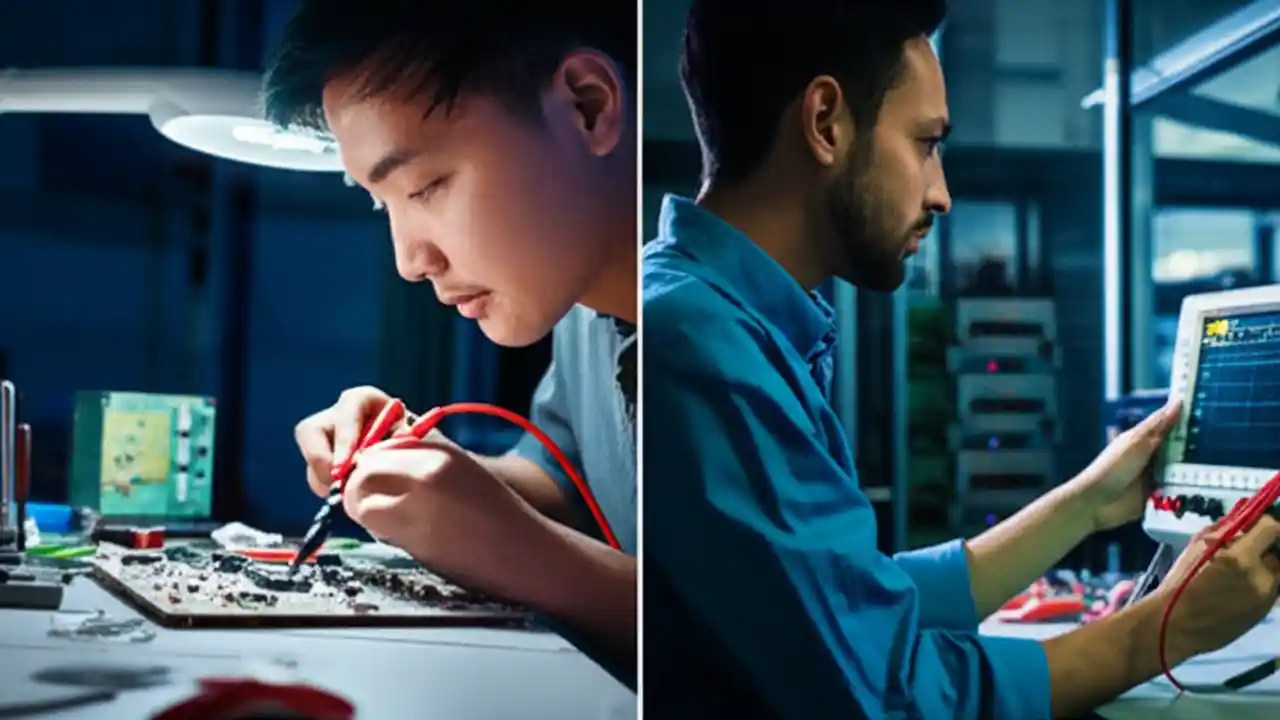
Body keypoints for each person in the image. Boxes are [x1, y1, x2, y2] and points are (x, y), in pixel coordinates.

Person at [642, 1, 1280, 717]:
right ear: (825, 122)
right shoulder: (702, 347)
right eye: (925, 143)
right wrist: (1162, 631)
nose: (941, 192)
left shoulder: (706, 312)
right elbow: (886, 696)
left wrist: (1085, 505)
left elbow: (845, 608)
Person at [262, 0, 637, 681]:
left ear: (588, 107)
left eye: (426, 186)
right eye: (385, 205)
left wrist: (530, 558)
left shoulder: (734, 325)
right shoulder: (586, 318)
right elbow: (572, 486)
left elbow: (765, 649)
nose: (410, 260)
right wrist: (423, 465)